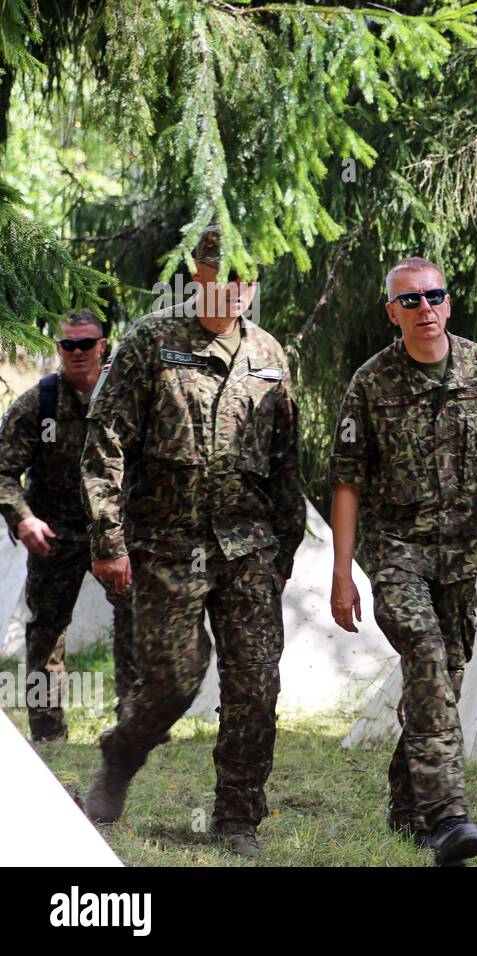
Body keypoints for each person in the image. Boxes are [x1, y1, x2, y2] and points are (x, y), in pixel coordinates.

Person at [81, 225, 305, 857]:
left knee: (255, 685)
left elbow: (287, 460)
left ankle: (238, 817)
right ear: (197, 274)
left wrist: (286, 549)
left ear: (253, 283)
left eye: (243, 277)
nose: (232, 288)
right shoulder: (153, 342)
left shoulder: (268, 353)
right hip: (166, 546)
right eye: (219, 273)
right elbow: (106, 443)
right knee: (176, 680)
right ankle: (120, 755)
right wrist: (109, 539)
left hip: (249, 549)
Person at [329, 256, 477, 866]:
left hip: (464, 554)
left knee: (442, 680)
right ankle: (449, 816)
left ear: (449, 303)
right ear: (392, 312)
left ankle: (406, 803)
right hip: (396, 550)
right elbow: (348, 483)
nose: (424, 309)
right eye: (410, 301)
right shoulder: (370, 384)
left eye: (433, 297)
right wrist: (342, 574)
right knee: (425, 656)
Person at [0, 310, 133, 741]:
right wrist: (24, 519)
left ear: (103, 344)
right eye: (68, 345)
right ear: (59, 349)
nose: (78, 353)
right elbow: (3, 472)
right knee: (46, 632)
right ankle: (47, 730)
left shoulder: (126, 398)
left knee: (137, 624)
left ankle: (135, 726)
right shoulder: (40, 402)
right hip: (54, 534)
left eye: (87, 343)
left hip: (115, 534)